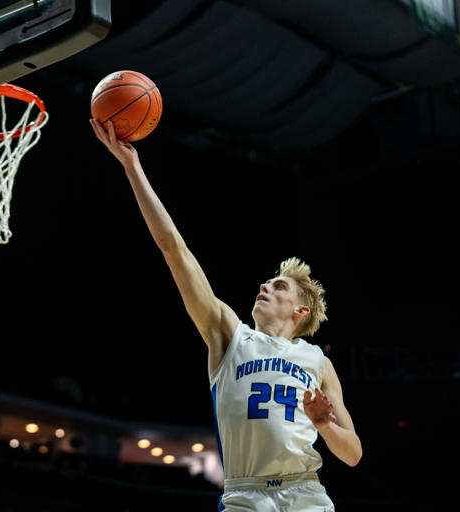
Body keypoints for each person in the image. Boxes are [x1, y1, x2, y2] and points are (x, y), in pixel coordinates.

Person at [90, 119, 362, 511]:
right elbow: (174, 250)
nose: (264, 286)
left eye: (278, 286)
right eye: (266, 282)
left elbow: (352, 454)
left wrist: (324, 424)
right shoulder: (230, 334)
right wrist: (132, 168)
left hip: (305, 492)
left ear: (301, 310)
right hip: (245, 494)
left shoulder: (318, 361)